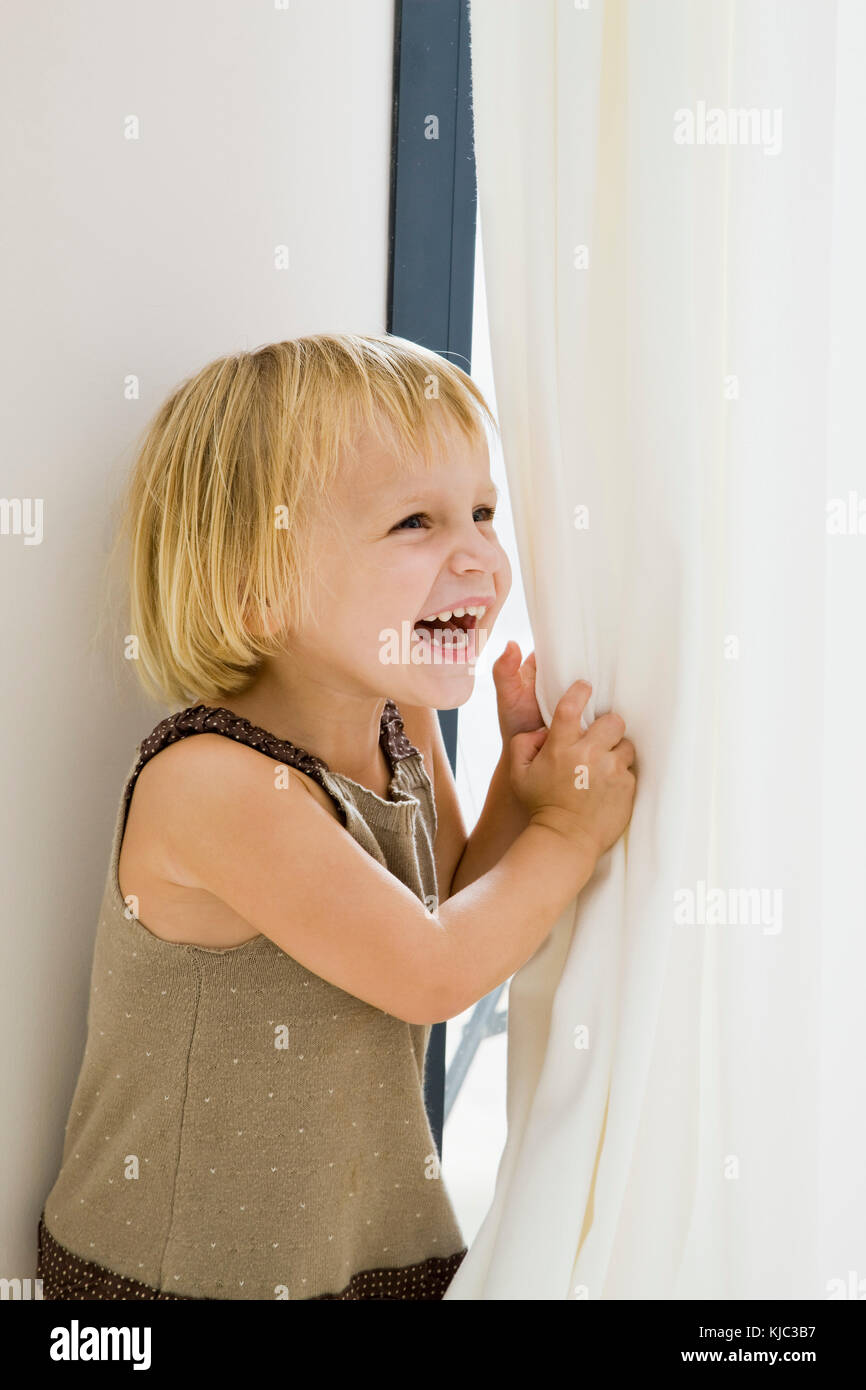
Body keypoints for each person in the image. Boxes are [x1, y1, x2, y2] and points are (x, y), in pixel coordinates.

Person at [37, 332, 636, 1300]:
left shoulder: (399, 726)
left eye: (481, 511)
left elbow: (443, 910)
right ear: (251, 582)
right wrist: (566, 835)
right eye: (415, 522)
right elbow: (431, 974)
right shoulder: (211, 781)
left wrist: (516, 803)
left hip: (355, 1250)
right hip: (181, 1279)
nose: (479, 553)